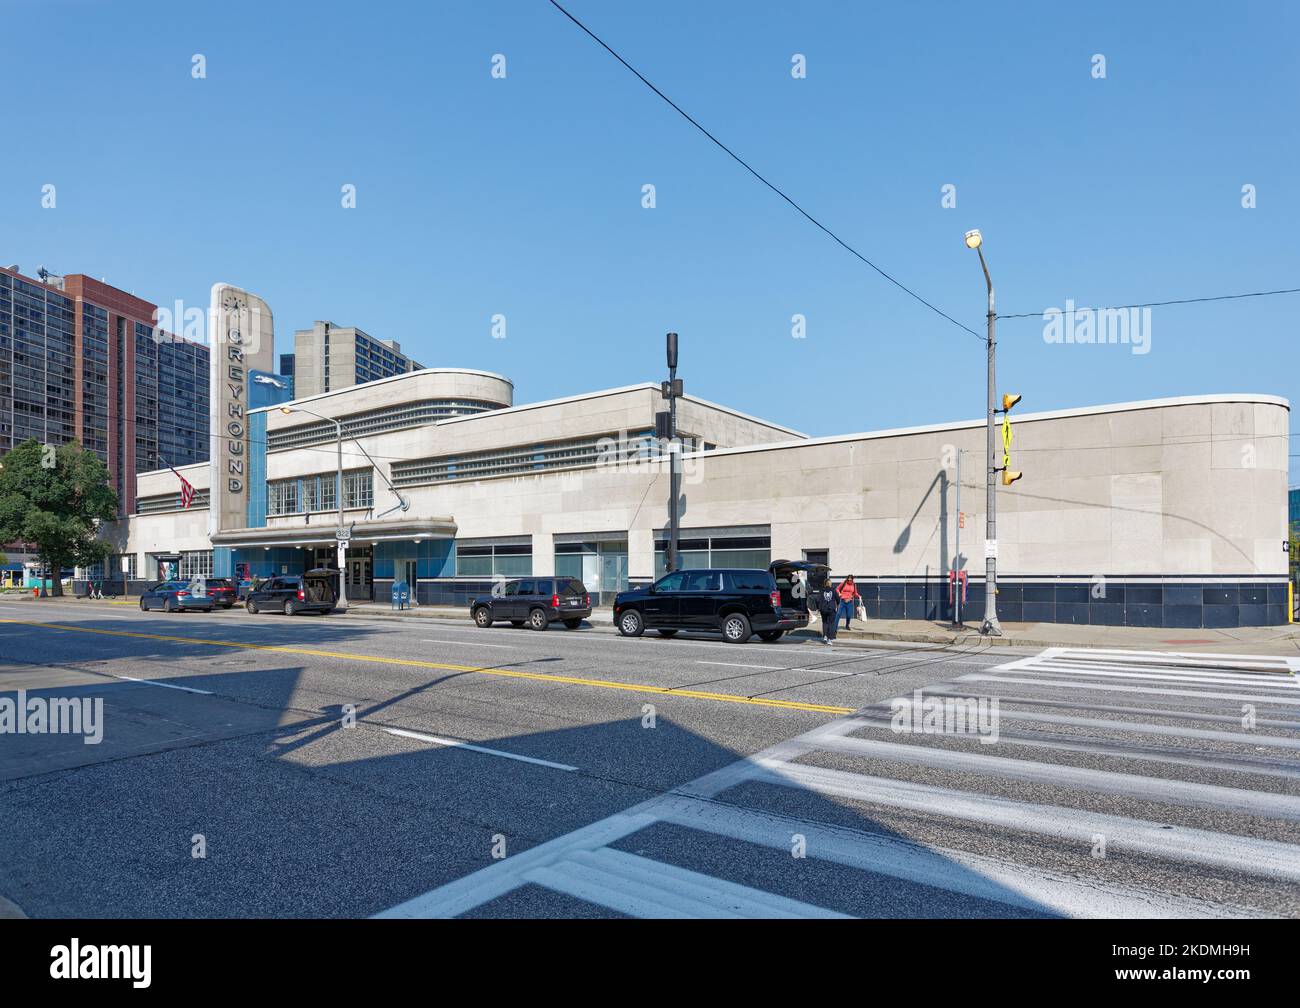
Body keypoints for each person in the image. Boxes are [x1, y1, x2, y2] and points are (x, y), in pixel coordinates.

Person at [813, 573, 840, 646]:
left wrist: (818, 608)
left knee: (825, 622)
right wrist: (837, 605)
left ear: (824, 584)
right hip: (831, 608)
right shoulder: (834, 590)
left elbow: (817, 600)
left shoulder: (821, 590)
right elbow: (838, 599)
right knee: (831, 624)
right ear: (830, 584)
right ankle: (829, 639)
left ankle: (825, 635)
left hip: (823, 608)